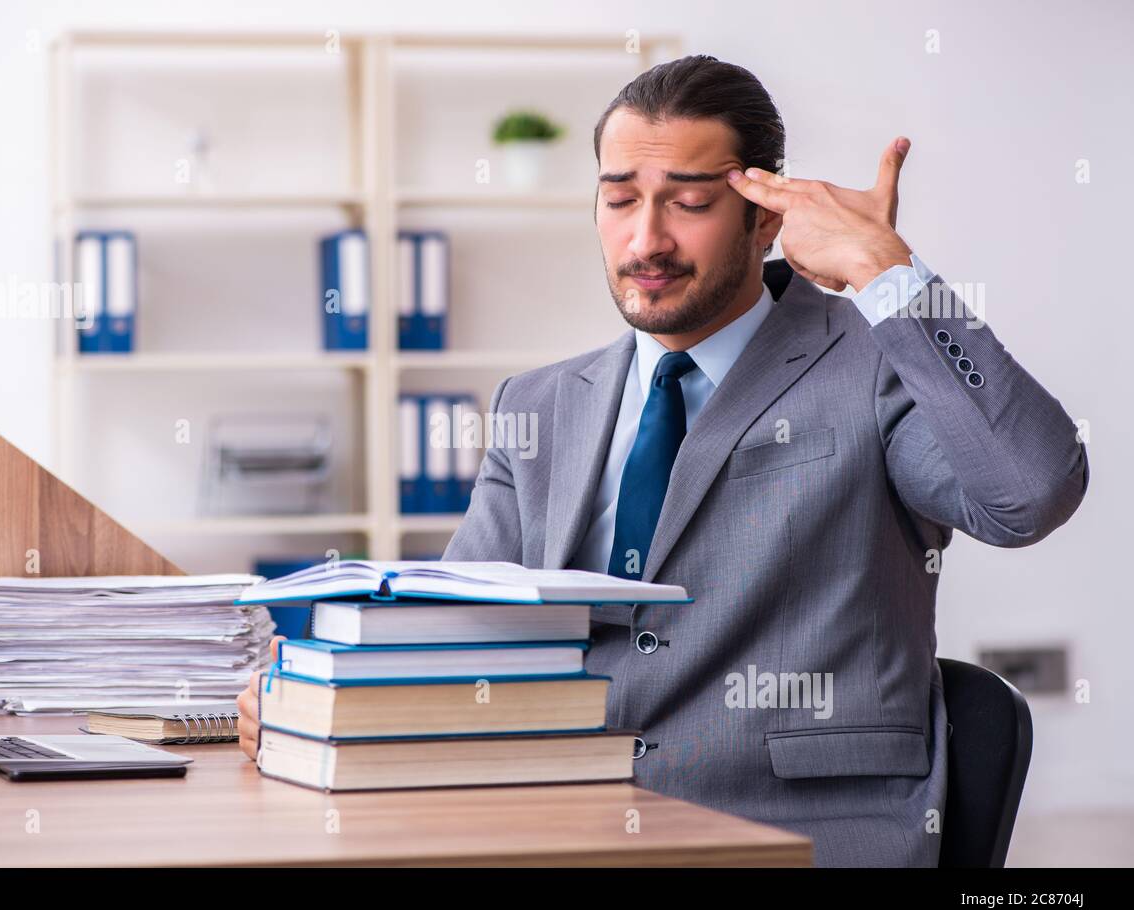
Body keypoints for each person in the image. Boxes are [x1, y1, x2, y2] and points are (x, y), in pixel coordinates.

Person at [239, 55, 1087, 866]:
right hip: (563, 830)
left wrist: (886, 274)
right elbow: (460, 637)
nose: (646, 240)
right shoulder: (539, 405)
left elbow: (1032, 491)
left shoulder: (874, 366)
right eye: (619, 200)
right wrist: (307, 694)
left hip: (797, 838)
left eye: (688, 201)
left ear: (767, 216)